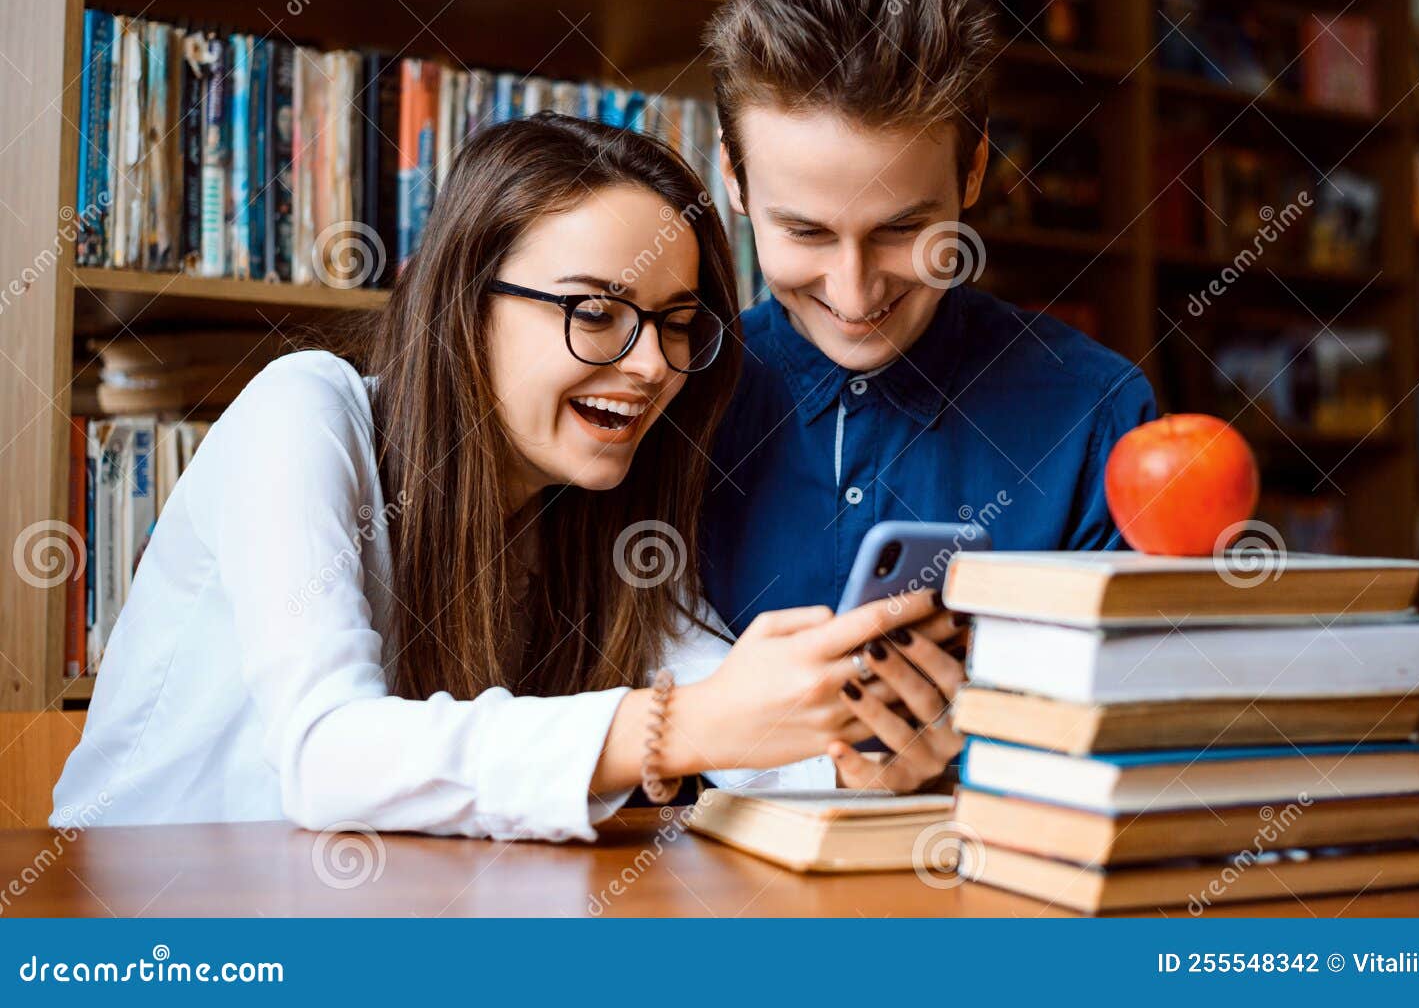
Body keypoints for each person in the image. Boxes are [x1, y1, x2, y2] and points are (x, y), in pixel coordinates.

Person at [53, 114, 950, 840]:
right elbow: (328, 755)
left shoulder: (607, 514)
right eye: (596, 312)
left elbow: (732, 709)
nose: (650, 367)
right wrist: (680, 728)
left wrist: (854, 759)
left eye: (678, 324)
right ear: (465, 301)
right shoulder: (305, 411)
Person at [700, 0, 1159, 787]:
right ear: (733, 178)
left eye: (903, 230)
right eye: (803, 231)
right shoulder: (664, 398)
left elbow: (1142, 737)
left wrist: (982, 752)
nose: (854, 292)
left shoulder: (1098, 415)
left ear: (975, 172)